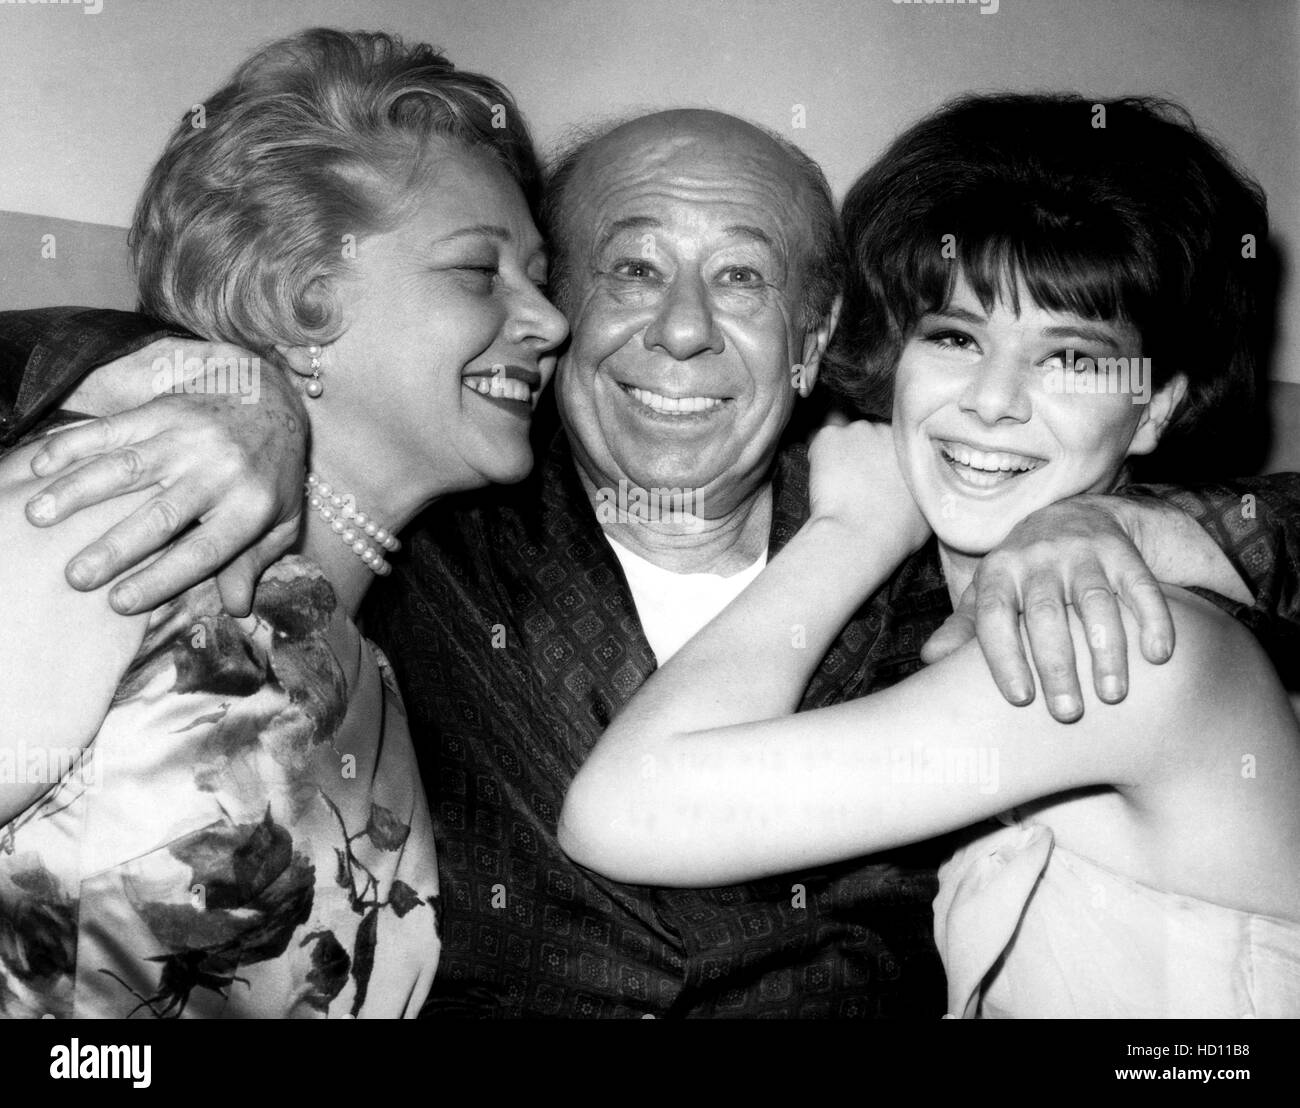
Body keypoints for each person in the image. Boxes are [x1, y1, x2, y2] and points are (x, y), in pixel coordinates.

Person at [3, 105, 1299, 1018]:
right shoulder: (423, 521)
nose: (680, 331)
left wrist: (1154, 524)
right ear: (553, 312)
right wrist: (218, 382)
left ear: (816, 333)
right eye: (629, 267)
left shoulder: (964, 561)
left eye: (740, 277)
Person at [558, 94, 1300, 1018]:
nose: (992, 400)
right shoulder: (948, 613)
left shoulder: (1129, 649)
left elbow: (622, 810)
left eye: (1070, 359)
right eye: (955, 337)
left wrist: (855, 531)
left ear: (1154, 408)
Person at [0, 27, 566, 1017]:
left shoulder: (371, 664)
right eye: (481, 272)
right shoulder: (122, 509)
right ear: (297, 302)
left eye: (540, 277)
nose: (548, 320)